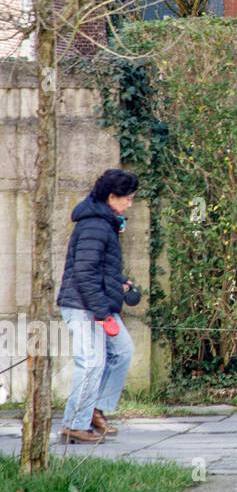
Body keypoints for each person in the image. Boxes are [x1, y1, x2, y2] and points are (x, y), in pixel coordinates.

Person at [56, 169, 142, 444]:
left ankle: (94, 409)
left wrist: (120, 282)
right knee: (91, 362)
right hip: (84, 306)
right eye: (127, 198)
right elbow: (84, 273)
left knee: (123, 351)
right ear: (111, 197)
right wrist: (103, 315)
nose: (130, 203)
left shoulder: (105, 222)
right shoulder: (95, 224)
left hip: (98, 303)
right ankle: (74, 424)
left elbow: (99, 269)